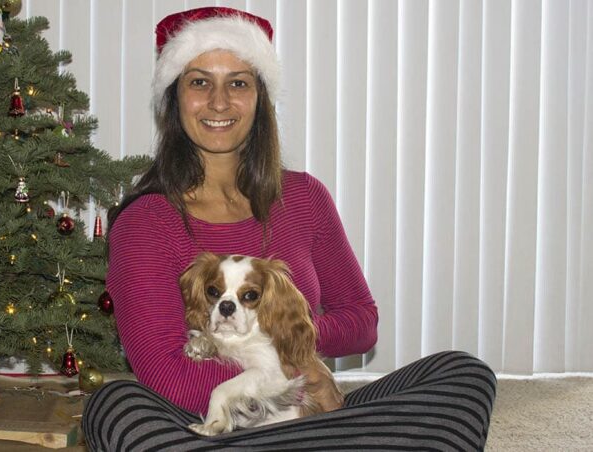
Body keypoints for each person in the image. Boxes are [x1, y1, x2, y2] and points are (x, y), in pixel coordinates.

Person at [83, 7, 495, 451]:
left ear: (260, 98)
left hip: (305, 410)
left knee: (462, 372)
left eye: (238, 83)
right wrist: (289, 372)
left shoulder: (304, 197)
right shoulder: (146, 221)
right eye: (199, 82)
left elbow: (361, 321)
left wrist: (288, 337)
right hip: (208, 417)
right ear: (174, 98)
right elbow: (168, 375)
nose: (219, 102)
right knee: (115, 404)